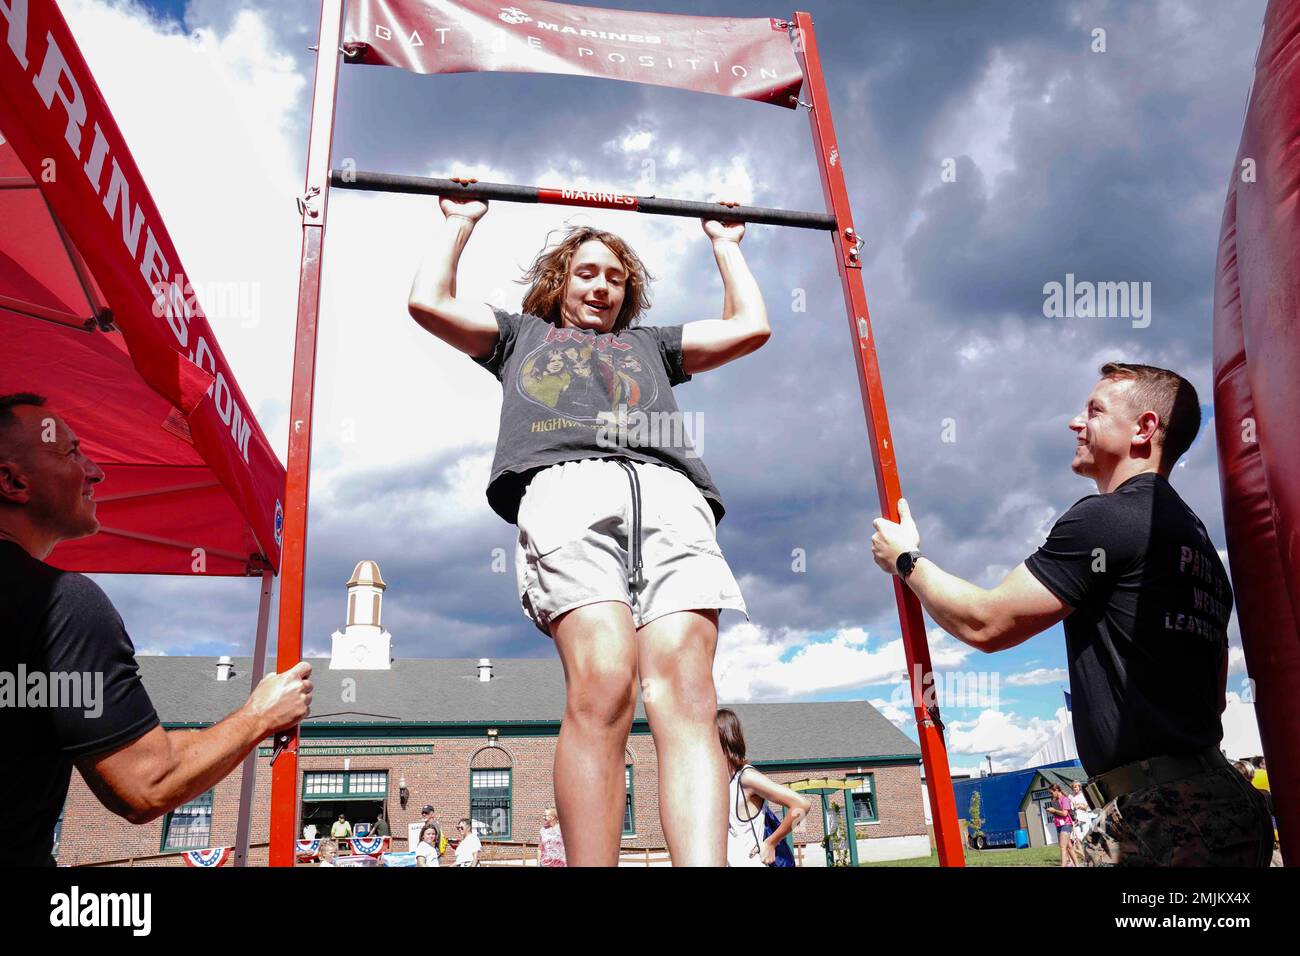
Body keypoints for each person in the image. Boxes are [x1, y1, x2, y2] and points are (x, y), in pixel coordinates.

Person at [408, 196, 769, 867]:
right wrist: (460, 222)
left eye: (615, 277)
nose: (601, 285)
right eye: (586, 273)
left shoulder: (651, 346)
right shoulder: (521, 336)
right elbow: (429, 301)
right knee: (605, 678)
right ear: (561, 281)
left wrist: (726, 243)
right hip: (568, 490)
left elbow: (750, 326)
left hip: (669, 497)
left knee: (688, 692)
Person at [869, 364, 1274, 866]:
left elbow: (985, 623)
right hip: (1224, 804)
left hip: (1162, 819)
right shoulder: (1200, 548)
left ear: (1144, 429)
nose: (1075, 423)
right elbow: (1212, 699)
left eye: (1095, 411)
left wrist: (906, 560)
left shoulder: (1107, 518)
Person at [0, 393, 314, 867]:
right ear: (11, 480)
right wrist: (259, 716)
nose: (95, 471)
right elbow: (146, 783)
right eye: (69, 452)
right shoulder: (59, 605)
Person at [716, 708, 811, 867]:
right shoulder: (721, 782)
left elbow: (802, 805)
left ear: (723, 738)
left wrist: (772, 842)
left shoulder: (746, 778)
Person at [1046, 783, 1080, 867]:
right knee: (1069, 847)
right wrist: (1051, 811)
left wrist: (1054, 811)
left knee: (1062, 846)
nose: (1051, 795)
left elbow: (1065, 813)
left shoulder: (1064, 799)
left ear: (1057, 790)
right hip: (1058, 825)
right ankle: (1077, 865)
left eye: (1051, 793)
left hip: (1066, 824)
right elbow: (1057, 813)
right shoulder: (1055, 801)